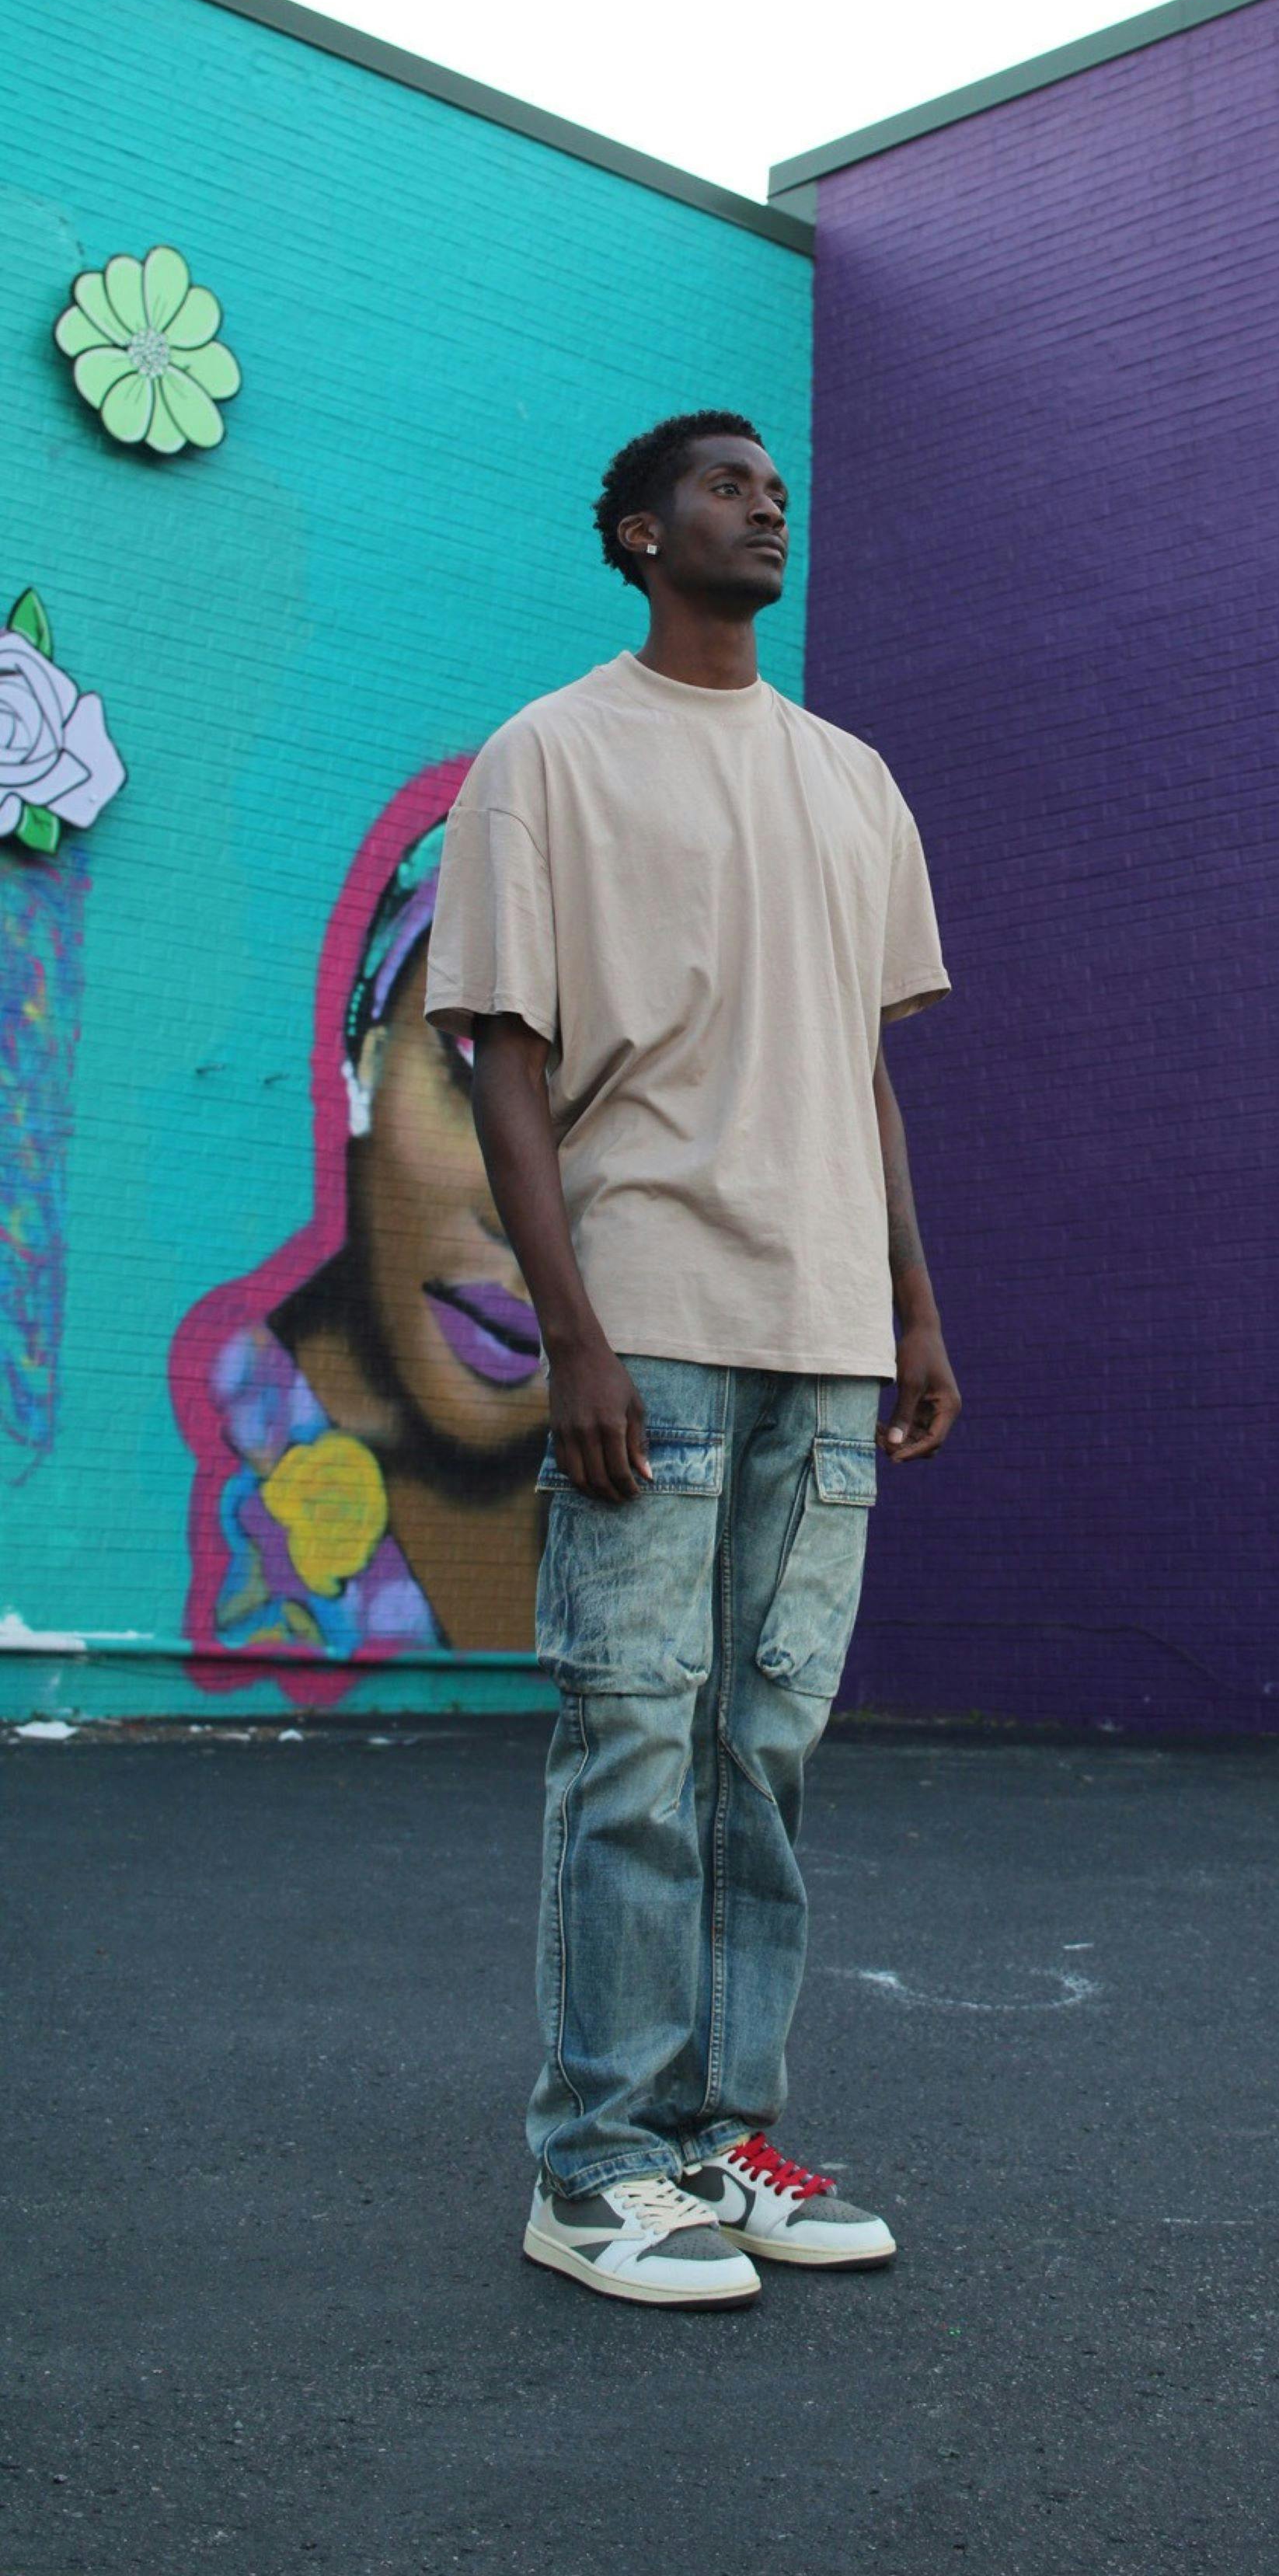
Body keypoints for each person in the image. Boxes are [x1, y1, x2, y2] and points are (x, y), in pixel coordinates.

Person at [424, 410, 959, 2309]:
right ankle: (593, 2163)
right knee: (634, 1736)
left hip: (819, 1337)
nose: (768, 500)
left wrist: (910, 1299)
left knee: (762, 1746)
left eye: (777, 482)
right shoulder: (547, 757)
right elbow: (498, 1045)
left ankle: (722, 2137)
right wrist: (571, 1329)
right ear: (641, 530)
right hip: (644, 1316)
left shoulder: (852, 779)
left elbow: (864, 1067)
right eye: (727, 483)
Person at [172, 769, 552, 1695]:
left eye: (601, 1125)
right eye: (470, 1070)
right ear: (366, 1061)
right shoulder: (254, 1474)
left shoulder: (642, 1531)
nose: (523, 1204)